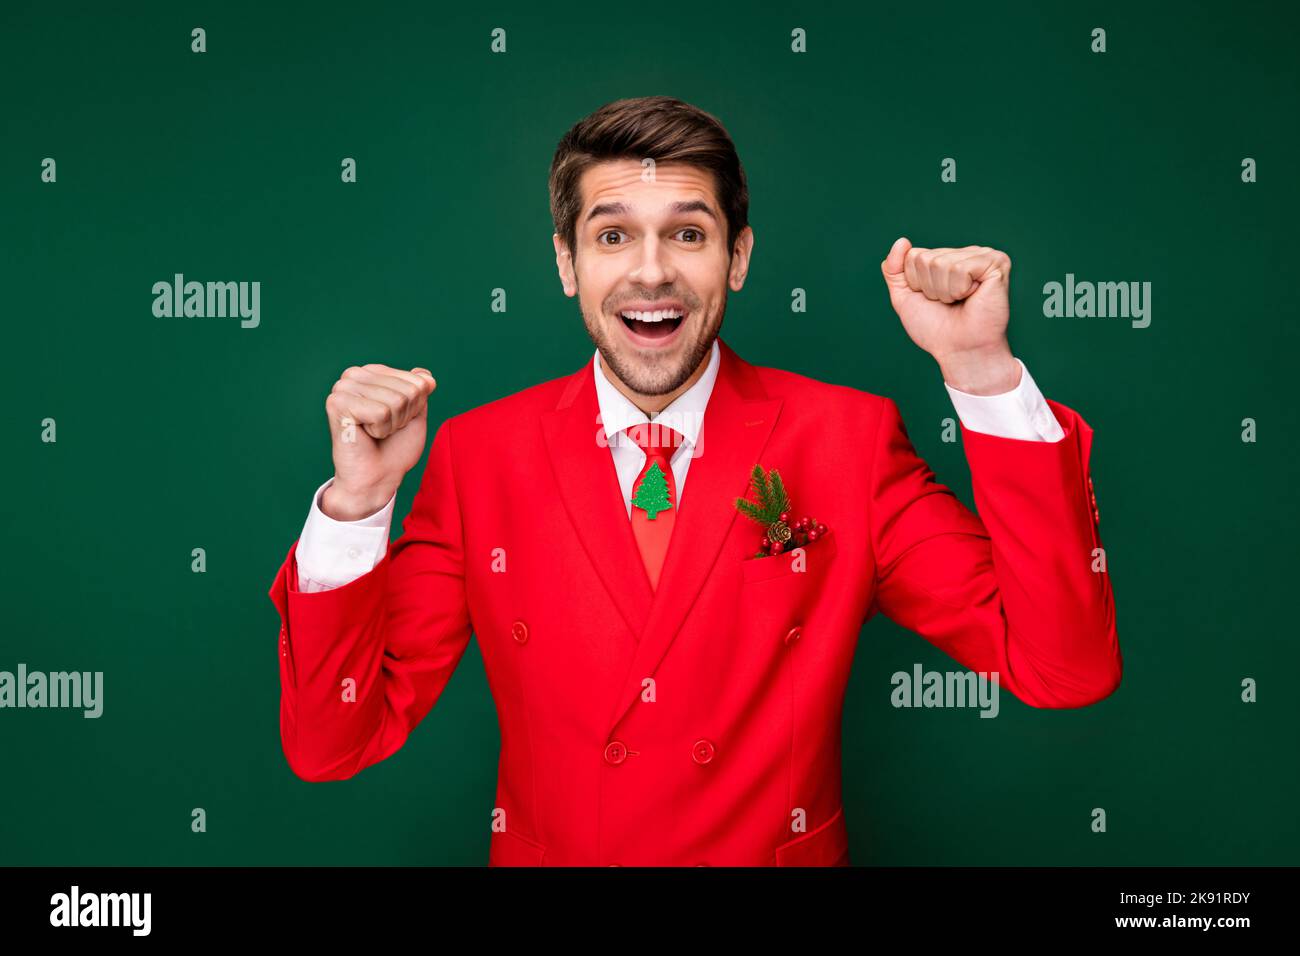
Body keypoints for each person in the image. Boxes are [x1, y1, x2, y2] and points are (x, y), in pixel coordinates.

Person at [268, 95, 1120, 867]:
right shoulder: (476, 455)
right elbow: (333, 744)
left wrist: (979, 367)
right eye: (611, 235)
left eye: (687, 233)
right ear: (566, 263)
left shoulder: (846, 441)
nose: (651, 272)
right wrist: (357, 505)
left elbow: (1062, 669)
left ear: (737, 257)